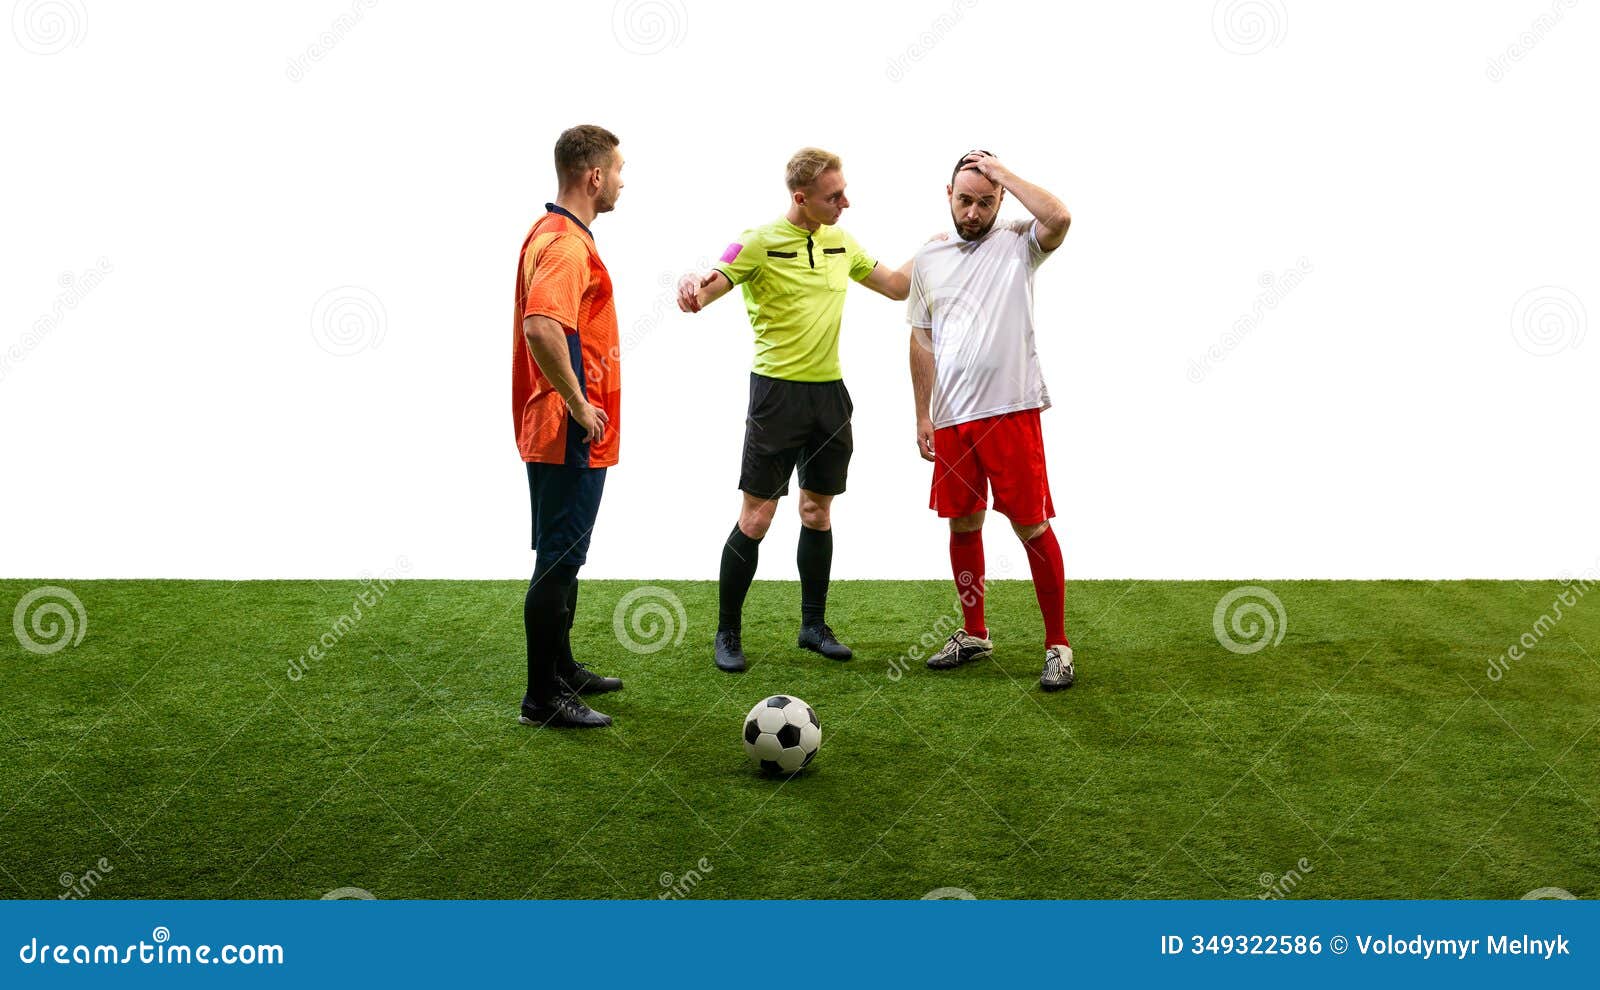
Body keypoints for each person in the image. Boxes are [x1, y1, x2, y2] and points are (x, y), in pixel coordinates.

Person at [677, 148, 920, 673]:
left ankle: (812, 626)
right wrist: (691, 283)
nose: (845, 203)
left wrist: (938, 249)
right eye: (835, 197)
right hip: (776, 397)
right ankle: (727, 633)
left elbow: (897, 287)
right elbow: (709, 287)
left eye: (844, 191)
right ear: (801, 198)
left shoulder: (841, 242)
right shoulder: (760, 242)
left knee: (817, 511)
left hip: (829, 397)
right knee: (757, 517)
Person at [907, 150, 1076, 690]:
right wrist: (923, 415)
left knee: (1031, 525)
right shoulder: (930, 258)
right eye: (965, 200)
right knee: (963, 522)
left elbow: (1061, 218)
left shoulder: (1018, 242)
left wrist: (1003, 172)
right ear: (948, 196)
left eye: (986, 200)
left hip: (1010, 410)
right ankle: (974, 632)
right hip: (953, 417)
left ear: (1000, 198)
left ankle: (1058, 645)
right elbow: (921, 338)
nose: (974, 212)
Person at [512, 124, 627, 727]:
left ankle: (562, 670)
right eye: (619, 170)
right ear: (595, 176)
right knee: (558, 560)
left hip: (566, 428)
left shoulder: (554, 233)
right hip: (566, 430)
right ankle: (542, 697)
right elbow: (540, 325)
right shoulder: (565, 244)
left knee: (565, 556)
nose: (623, 181)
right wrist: (581, 406)